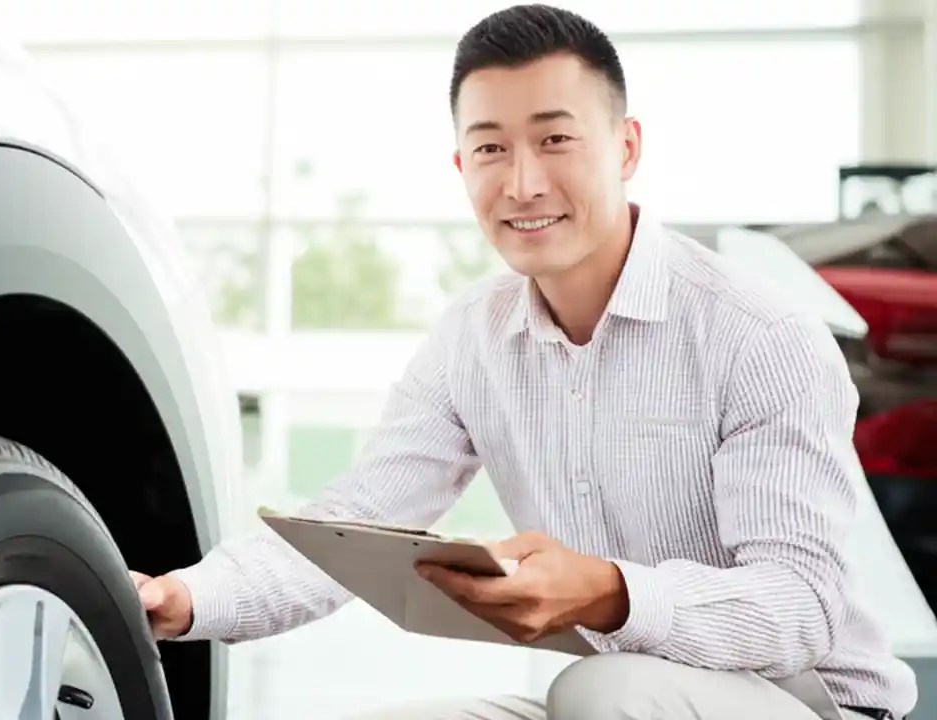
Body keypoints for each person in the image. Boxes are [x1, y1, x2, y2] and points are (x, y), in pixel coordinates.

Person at [129, 4, 918, 719]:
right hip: (623, 698)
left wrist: (609, 593)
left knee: (602, 688)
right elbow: (352, 522)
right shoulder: (473, 337)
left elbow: (799, 608)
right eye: (491, 149)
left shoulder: (758, 333)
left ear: (627, 146)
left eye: (555, 139)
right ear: (460, 168)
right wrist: (183, 596)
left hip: (807, 702)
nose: (523, 182)